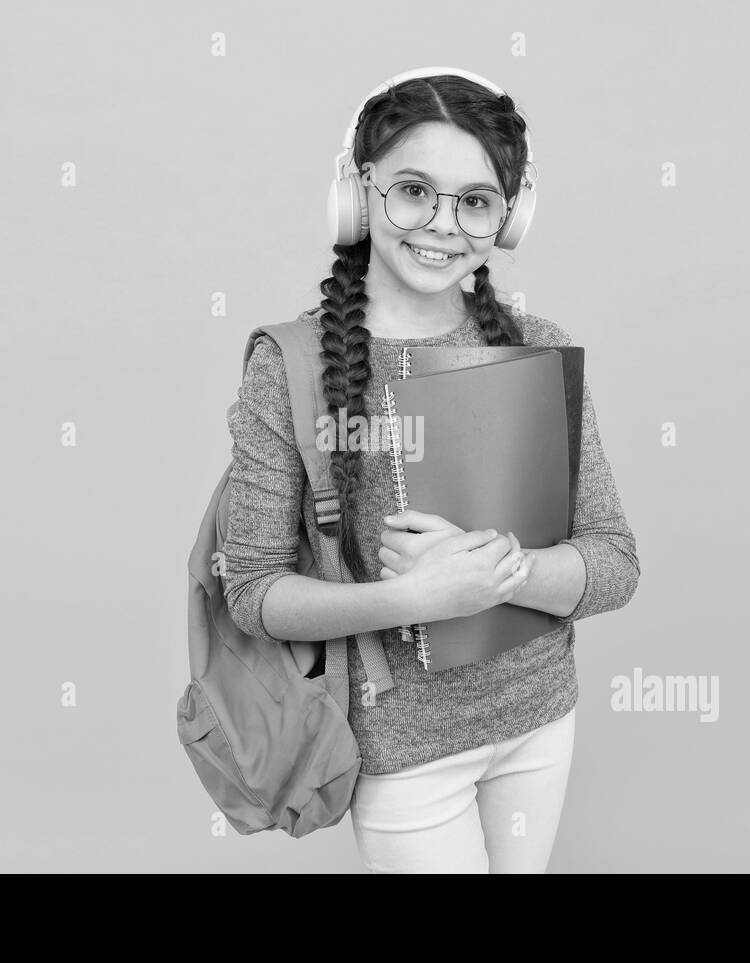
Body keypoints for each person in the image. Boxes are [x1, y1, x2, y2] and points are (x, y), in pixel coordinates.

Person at [221, 72, 640, 872]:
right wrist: (413, 599)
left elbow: (615, 562)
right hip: (404, 749)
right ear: (358, 190)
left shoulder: (538, 345)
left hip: (539, 717)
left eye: (476, 202)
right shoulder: (289, 366)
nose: (443, 226)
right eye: (414, 191)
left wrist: (497, 572)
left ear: (509, 218)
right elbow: (253, 592)